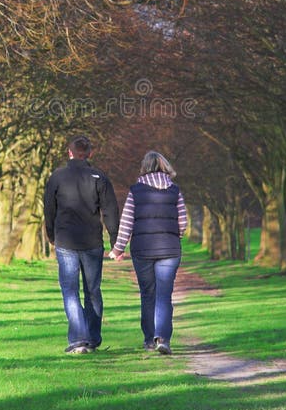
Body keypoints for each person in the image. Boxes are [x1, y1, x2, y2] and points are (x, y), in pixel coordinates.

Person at [44, 134, 120, 355]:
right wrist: (116, 241)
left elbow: (49, 209)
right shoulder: (100, 177)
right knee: (93, 291)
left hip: (65, 240)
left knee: (70, 291)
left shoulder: (57, 177)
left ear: (69, 153)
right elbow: (111, 211)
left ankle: (78, 340)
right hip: (92, 242)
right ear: (90, 154)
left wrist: (51, 234)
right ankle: (93, 339)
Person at [109, 151, 188, 355]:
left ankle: (149, 340)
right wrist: (173, 235)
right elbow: (183, 223)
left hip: (142, 249)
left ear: (144, 167)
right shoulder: (174, 190)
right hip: (170, 249)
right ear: (164, 166)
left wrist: (118, 248)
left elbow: (126, 222)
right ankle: (163, 338)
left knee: (147, 294)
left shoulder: (136, 191)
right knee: (164, 295)